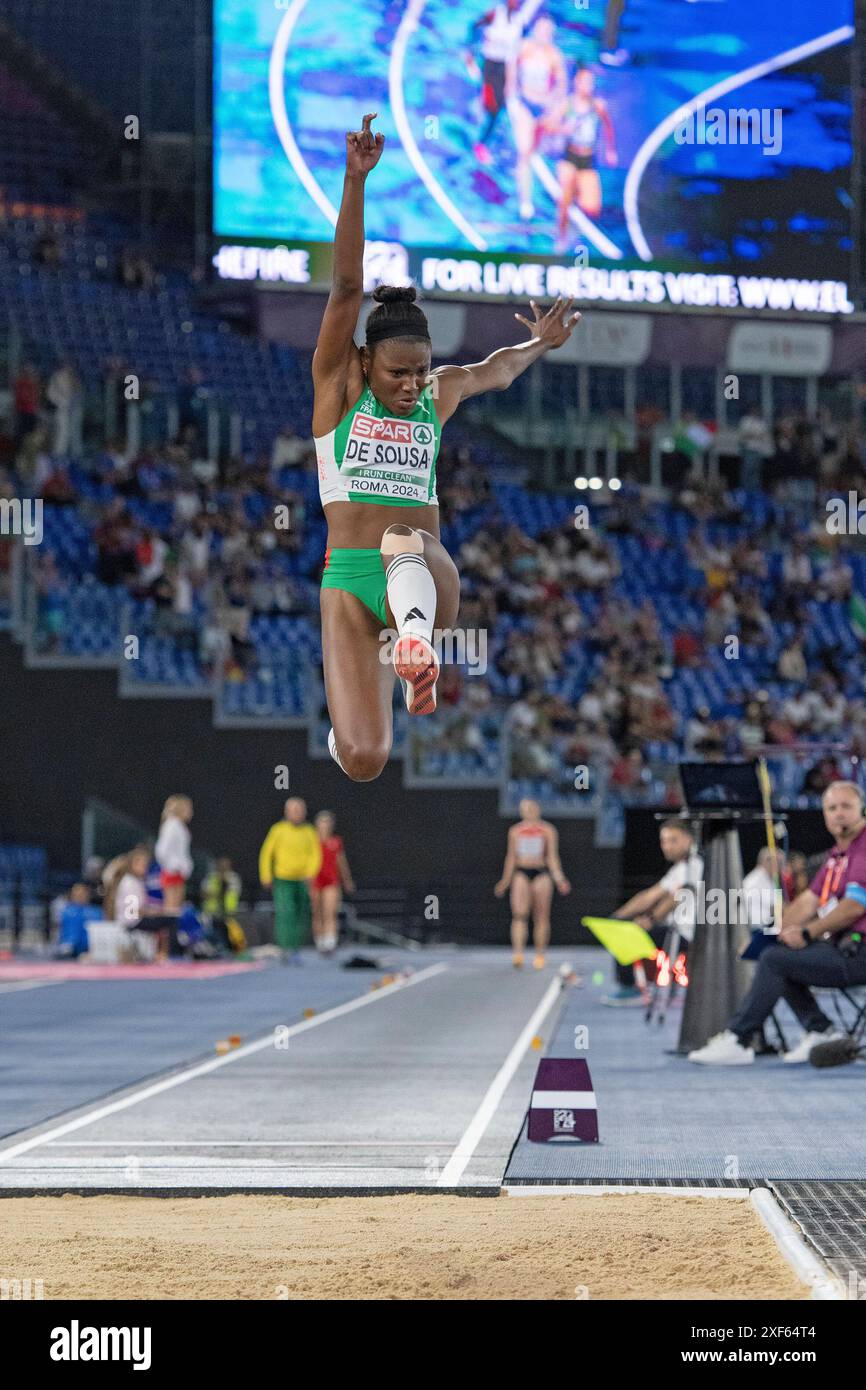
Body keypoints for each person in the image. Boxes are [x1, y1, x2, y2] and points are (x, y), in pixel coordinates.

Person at [313, 113, 581, 781]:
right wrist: (355, 180)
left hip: (427, 576)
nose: (410, 386)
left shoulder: (440, 393)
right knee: (365, 760)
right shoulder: (339, 385)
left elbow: (499, 368)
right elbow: (346, 288)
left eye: (418, 371)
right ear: (368, 362)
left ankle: (412, 644)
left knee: (402, 534)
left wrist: (538, 344)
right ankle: (373, 693)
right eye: (396, 372)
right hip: (348, 582)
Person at [689, 782, 866, 1066]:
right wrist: (768, 935)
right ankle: (820, 1030)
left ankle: (739, 1038)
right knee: (774, 951)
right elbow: (808, 902)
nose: (839, 814)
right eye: (832, 808)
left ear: (861, 810)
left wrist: (807, 933)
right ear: (824, 815)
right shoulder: (836, 856)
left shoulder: (863, 848)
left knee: (774, 960)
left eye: (847, 806)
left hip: (859, 953)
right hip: (843, 948)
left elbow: (855, 906)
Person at [602, 818, 703, 1006]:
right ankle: (635, 984)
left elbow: (677, 897)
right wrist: (617, 917)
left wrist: (651, 918)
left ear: (689, 840)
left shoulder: (695, 866)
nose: (666, 846)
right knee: (623, 928)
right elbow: (648, 896)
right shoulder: (679, 869)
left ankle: (631, 988)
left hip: (688, 934)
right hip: (674, 930)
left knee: (628, 934)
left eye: (673, 840)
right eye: (663, 841)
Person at [464, 0, 545, 165]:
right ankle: (481, 143)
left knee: (499, 107)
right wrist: (470, 54)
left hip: (506, 68)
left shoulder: (520, 20)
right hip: (489, 65)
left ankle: (483, 140)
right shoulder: (495, 13)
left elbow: (520, 48)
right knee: (492, 107)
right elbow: (474, 26)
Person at [544, 67, 616, 251]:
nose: (587, 86)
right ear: (576, 83)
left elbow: (608, 126)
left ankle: (576, 228)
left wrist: (610, 150)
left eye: (590, 82)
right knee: (566, 194)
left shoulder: (598, 105)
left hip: (588, 158)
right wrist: (563, 129)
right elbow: (550, 126)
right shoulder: (567, 104)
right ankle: (560, 237)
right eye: (584, 81)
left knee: (592, 207)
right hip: (569, 156)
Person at [494, 798, 570, 969]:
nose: (528, 812)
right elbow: (511, 857)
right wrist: (505, 881)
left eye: (531, 808)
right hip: (522, 872)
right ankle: (518, 953)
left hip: (541, 873)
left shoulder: (547, 830)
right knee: (519, 914)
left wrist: (559, 879)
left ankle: (540, 954)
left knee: (541, 916)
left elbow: (552, 857)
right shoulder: (515, 831)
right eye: (524, 809)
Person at [507, 16, 567, 219]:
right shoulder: (524, 48)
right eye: (541, 30)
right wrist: (512, 98)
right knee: (524, 153)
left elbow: (561, 85)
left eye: (547, 32)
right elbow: (511, 71)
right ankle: (525, 200)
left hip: (543, 110)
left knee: (534, 152)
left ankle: (529, 181)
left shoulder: (554, 56)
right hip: (525, 105)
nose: (544, 35)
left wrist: (555, 108)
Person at [258, 798, 322, 963]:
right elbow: (266, 853)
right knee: (286, 913)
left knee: (301, 914)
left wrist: (311, 872)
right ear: (286, 812)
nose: (297, 813)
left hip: (302, 881)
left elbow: (315, 854)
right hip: (283, 879)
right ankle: (285, 948)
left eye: (300, 810)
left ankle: (295, 948)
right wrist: (266, 875)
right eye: (293, 810)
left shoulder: (309, 831)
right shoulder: (278, 830)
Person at [310, 811, 356, 955]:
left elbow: (341, 862)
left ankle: (330, 943)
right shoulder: (310, 840)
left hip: (331, 881)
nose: (325, 825)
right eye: (322, 822)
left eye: (328, 822)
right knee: (317, 913)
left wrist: (347, 880)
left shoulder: (336, 841)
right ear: (317, 824)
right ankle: (320, 941)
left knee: (330, 912)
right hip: (314, 880)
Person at [154, 795, 194, 916]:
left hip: (179, 871)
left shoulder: (179, 826)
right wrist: (172, 866)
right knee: (171, 908)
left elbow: (182, 851)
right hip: (172, 871)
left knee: (176, 908)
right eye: (189, 809)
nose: (191, 813)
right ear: (180, 810)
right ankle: (169, 933)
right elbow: (161, 850)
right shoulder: (172, 825)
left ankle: (173, 931)